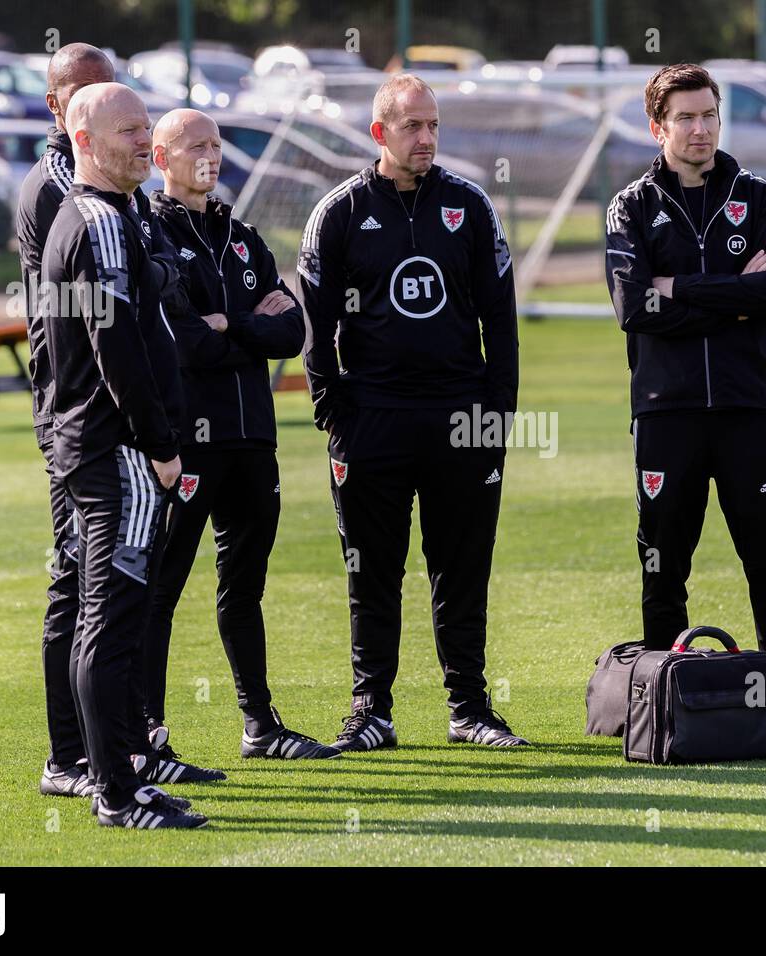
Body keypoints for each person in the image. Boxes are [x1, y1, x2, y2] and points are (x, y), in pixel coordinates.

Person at [298, 74, 526, 750]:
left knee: (462, 568)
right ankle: (372, 712)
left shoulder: (469, 206)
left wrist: (498, 415)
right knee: (373, 571)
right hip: (374, 421)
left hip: (462, 418)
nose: (426, 138)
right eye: (411, 127)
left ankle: (470, 709)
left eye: (432, 126)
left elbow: (501, 320)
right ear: (380, 134)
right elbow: (314, 325)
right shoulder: (339, 213)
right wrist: (332, 410)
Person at [17, 43, 220, 797]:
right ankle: (103, 775)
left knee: (108, 606)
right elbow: (113, 341)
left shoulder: (114, 208)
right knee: (97, 603)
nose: (145, 141)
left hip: (96, 432)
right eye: (127, 127)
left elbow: (157, 287)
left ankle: (121, 763)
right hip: (103, 436)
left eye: (144, 124)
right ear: (72, 126)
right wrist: (160, 443)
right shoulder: (75, 206)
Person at [604, 63, 766, 750]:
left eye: (709, 116)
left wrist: (682, 288)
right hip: (667, 414)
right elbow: (635, 308)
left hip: (749, 411)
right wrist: (729, 289)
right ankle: (662, 714)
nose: (700, 129)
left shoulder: (757, 197)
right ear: (657, 126)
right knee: (664, 564)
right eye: (686, 118)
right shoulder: (631, 206)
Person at [146, 107, 338, 760]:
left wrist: (230, 325)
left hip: (253, 438)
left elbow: (293, 330)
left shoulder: (243, 235)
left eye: (216, 143)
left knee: (244, 587)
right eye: (195, 144)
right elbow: (188, 345)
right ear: (160, 156)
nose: (211, 154)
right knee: (159, 587)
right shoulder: (150, 237)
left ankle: (261, 725)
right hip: (186, 444)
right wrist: (240, 326)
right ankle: (147, 734)